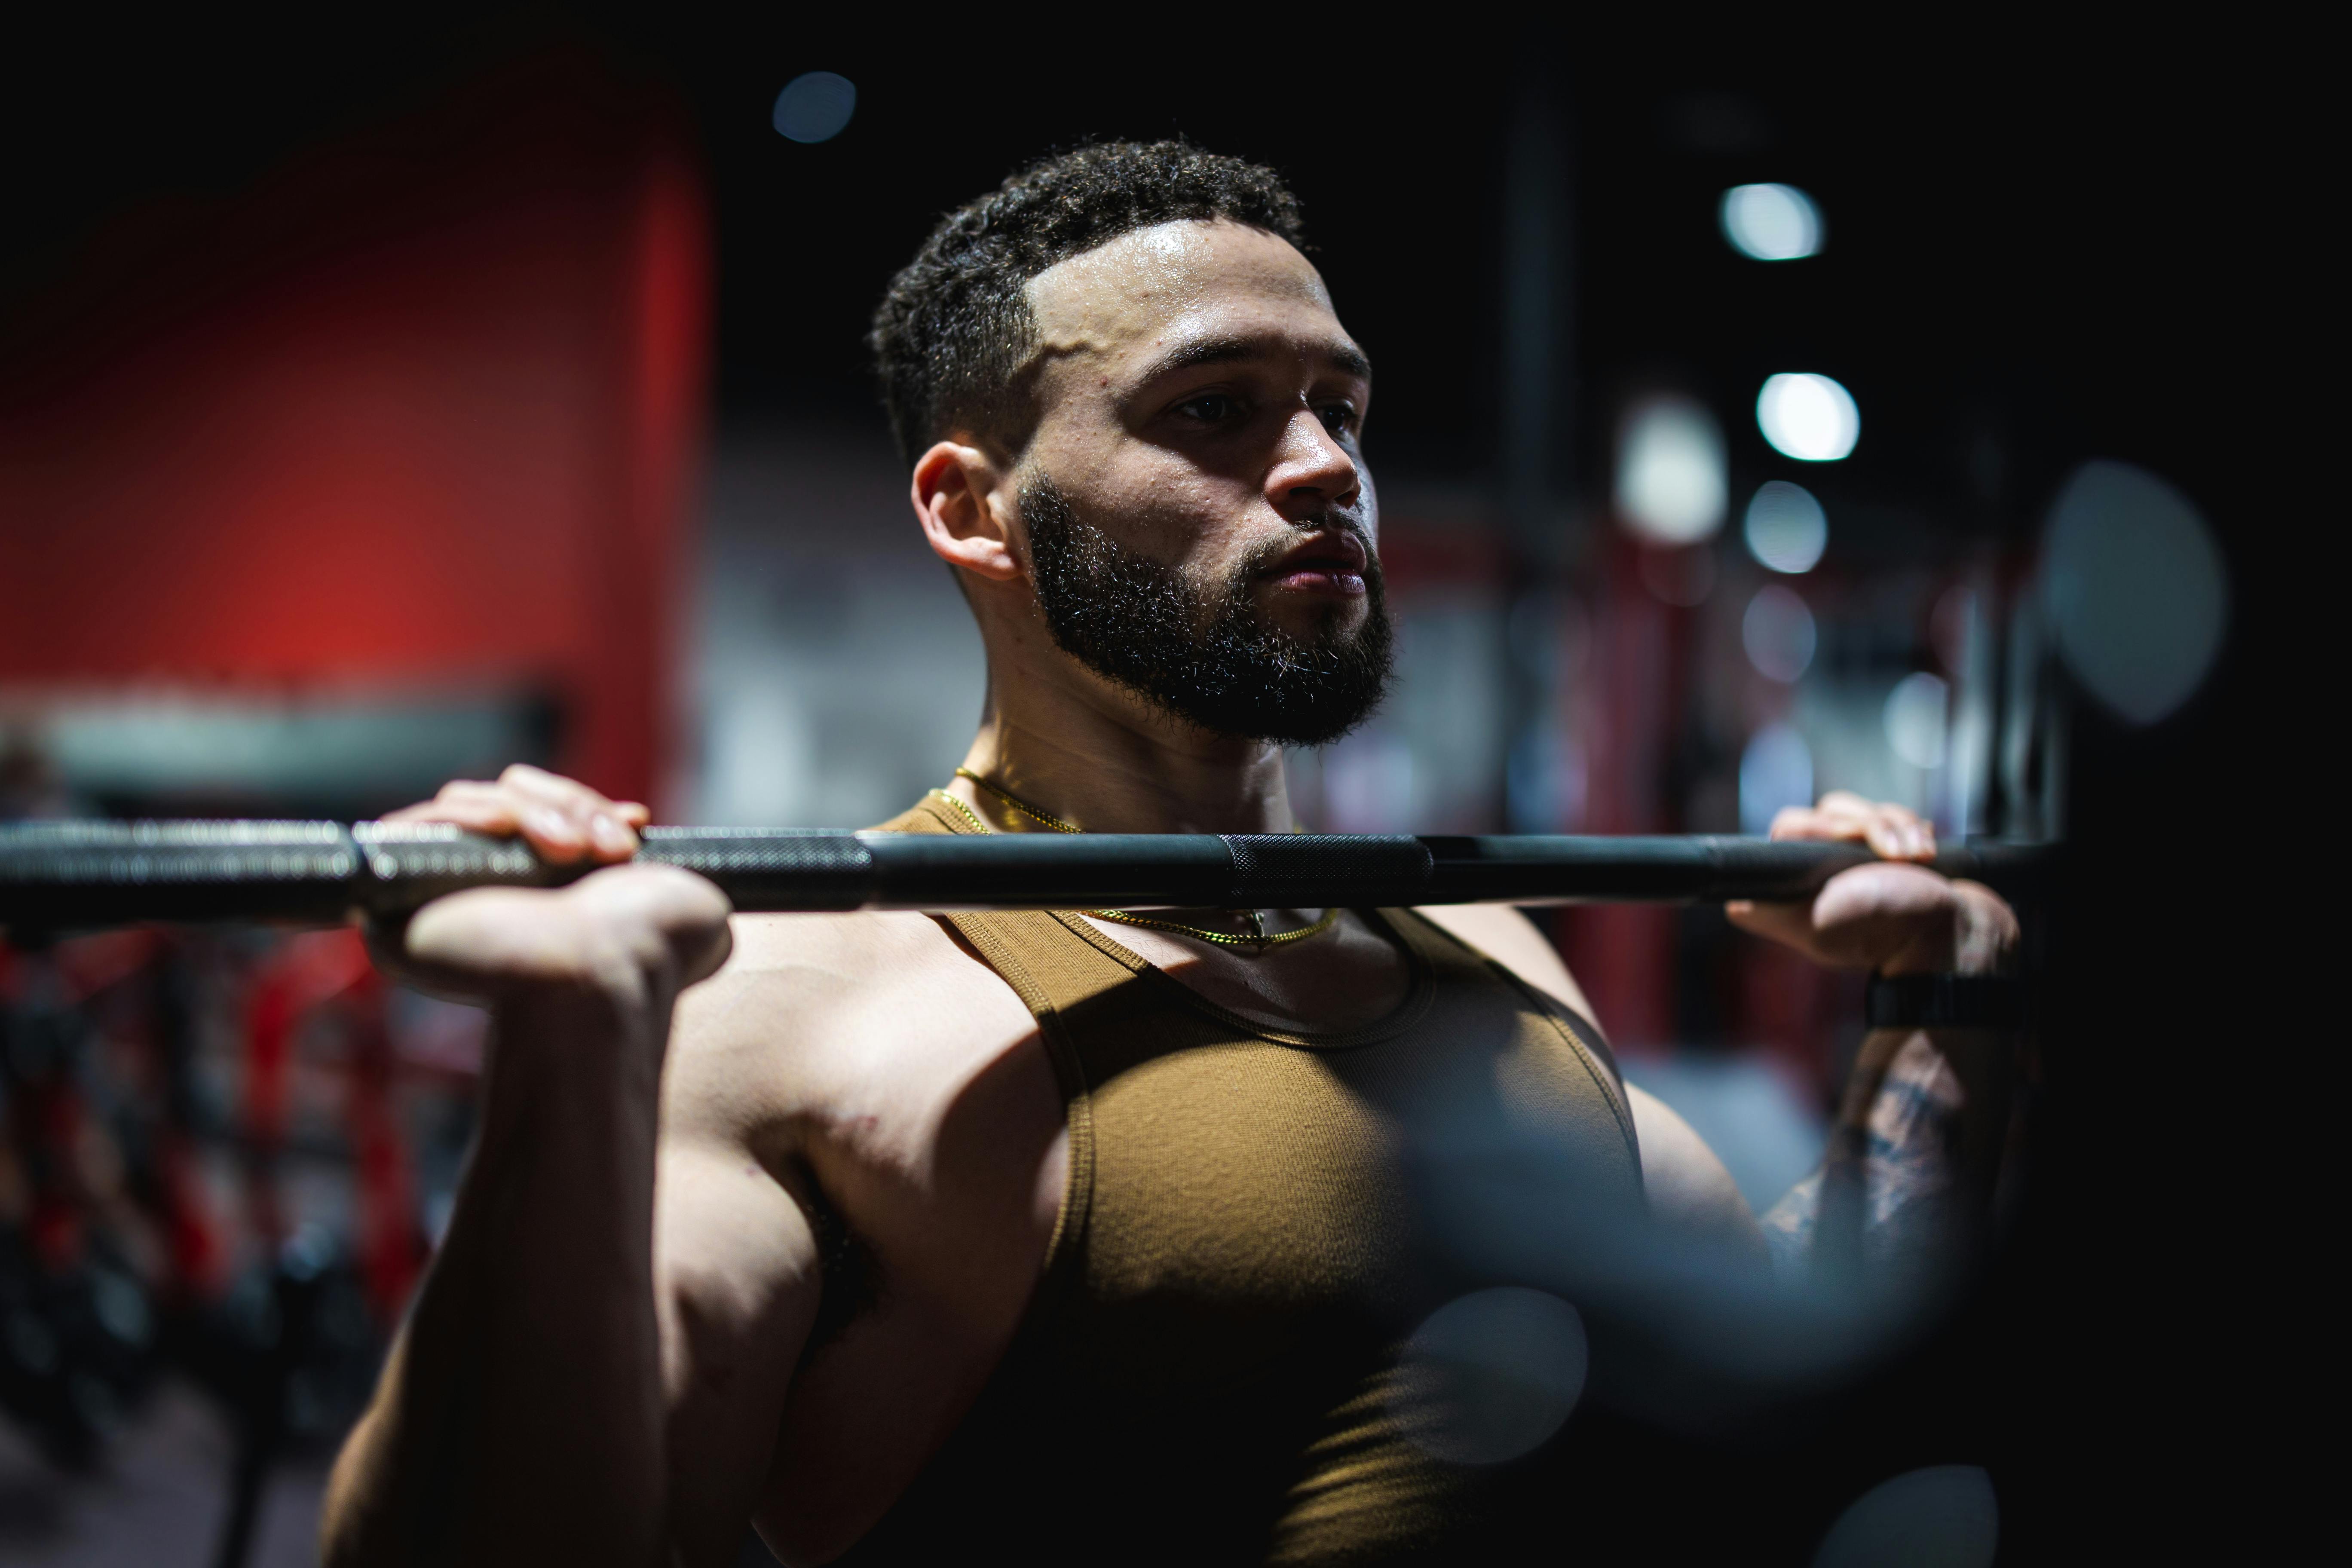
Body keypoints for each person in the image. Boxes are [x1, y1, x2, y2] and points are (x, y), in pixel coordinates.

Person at [320, 143, 2018, 1567]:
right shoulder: (801, 1008)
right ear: (974, 510)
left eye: (1341, 406)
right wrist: (571, 1043)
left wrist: (1941, 992)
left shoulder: (1481, 937)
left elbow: (1768, 1351)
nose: (1326, 469)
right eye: (1216, 410)